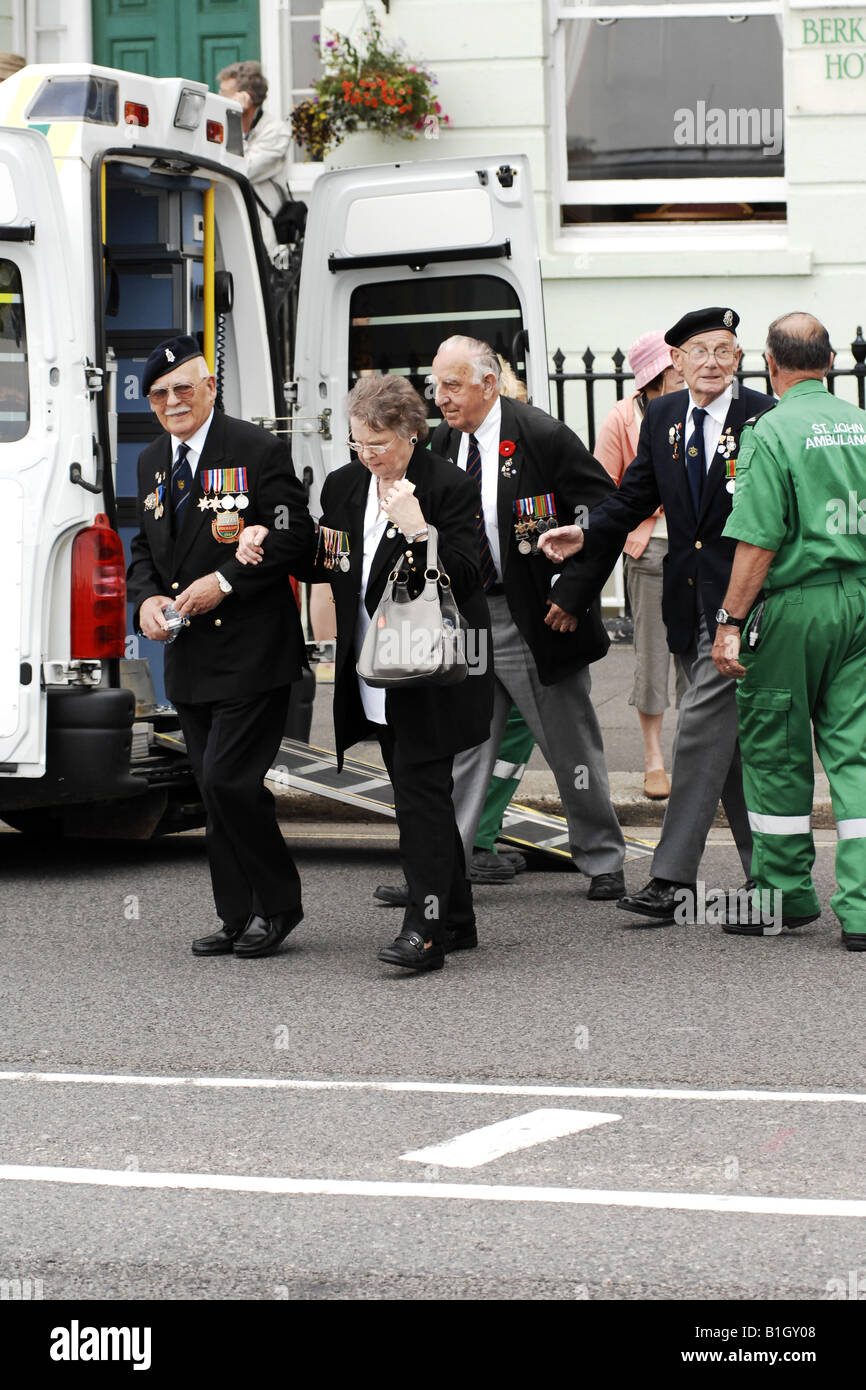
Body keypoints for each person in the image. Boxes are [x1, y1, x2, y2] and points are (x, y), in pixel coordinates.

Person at [239, 374, 493, 973]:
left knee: (422, 796)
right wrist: (265, 534)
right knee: (415, 793)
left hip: (430, 667)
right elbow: (325, 558)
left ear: (409, 434)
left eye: (377, 444)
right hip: (374, 666)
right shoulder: (346, 484)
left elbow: (466, 571)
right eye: (357, 443)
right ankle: (456, 920)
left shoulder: (448, 487)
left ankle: (425, 929)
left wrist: (417, 527)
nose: (367, 456)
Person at [539, 307, 775, 924]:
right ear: (675, 361)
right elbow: (633, 495)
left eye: (725, 349)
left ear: (739, 357)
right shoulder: (664, 416)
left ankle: (670, 878)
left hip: (741, 606)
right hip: (685, 597)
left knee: (698, 727)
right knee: (727, 749)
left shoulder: (763, 417)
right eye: (700, 350)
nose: (713, 361)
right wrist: (583, 533)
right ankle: (768, 879)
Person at [126, 335, 316, 959]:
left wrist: (227, 581)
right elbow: (145, 552)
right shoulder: (152, 459)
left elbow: (295, 536)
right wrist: (146, 599)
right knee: (212, 789)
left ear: (210, 387)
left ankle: (279, 906)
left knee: (230, 781)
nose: (173, 401)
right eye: (160, 393)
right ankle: (236, 914)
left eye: (184, 387)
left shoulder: (257, 448)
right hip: (188, 657)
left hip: (252, 651)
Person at [427, 335, 627, 900]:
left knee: (571, 748)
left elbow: (604, 511)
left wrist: (575, 593)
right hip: (467, 620)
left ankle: (602, 857)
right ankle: (444, 867)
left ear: (488, 384)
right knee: (463, 748)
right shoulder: (441, 443)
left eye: (452, 385)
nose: (440, 397)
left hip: (535, 617)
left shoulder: (540, 435)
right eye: (436, 385)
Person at [712, 312, 866, 952]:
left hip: (791, 608)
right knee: (856, 754)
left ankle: (785, 894)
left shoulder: (769, 432)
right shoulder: (860, 425)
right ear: (828, 362)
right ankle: (862, 911)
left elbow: (758, 542)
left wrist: (729, 622)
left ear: (770, 365)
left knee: (776, 750)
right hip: (858, 602)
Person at [594, 330, 687, 800]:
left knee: (698, 658)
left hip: (698, 549)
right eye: (675, 368)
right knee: (652, 657)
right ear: (654, 377)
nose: (685, 373)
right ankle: (654, 758)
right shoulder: (621, 418)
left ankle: (693, 757)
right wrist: (654, 503)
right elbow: (603, 489)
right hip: (649, 550)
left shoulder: (700, 408)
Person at [218, 61, 291, 260]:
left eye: (225, 94)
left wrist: (233, 119)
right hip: (224, 225)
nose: (218, 98)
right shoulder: (219, 125)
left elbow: (243, 169)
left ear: (246, 97)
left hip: (264, 238)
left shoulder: (275, 131)